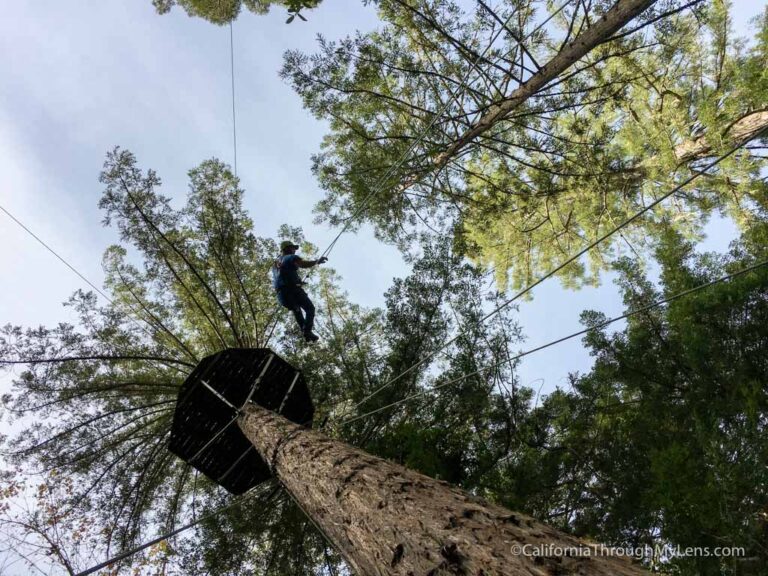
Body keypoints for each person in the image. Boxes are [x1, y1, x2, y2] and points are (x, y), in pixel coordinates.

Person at [272, 241, 328, 342]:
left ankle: (306, 333)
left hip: (282, 295)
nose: (294, 250)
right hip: (292, 290)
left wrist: (297, 282)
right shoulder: (289, 257)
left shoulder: (276, 264)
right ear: (286, 248)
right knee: (310, 308)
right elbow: (302, 264)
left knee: (297, 310)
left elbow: (283, 275)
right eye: (293, 248)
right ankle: (307, 331)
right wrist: (317, 261)